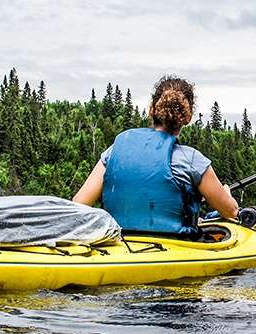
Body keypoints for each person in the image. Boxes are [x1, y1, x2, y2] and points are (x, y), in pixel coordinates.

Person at [73, 76, 238, 236]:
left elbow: (79, 204)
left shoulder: (114, 151)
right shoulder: (192, 160)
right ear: (187, 117)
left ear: (151, 109)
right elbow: (230, 211)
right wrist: (226, 194)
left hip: (119, 246)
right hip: (176, 249)